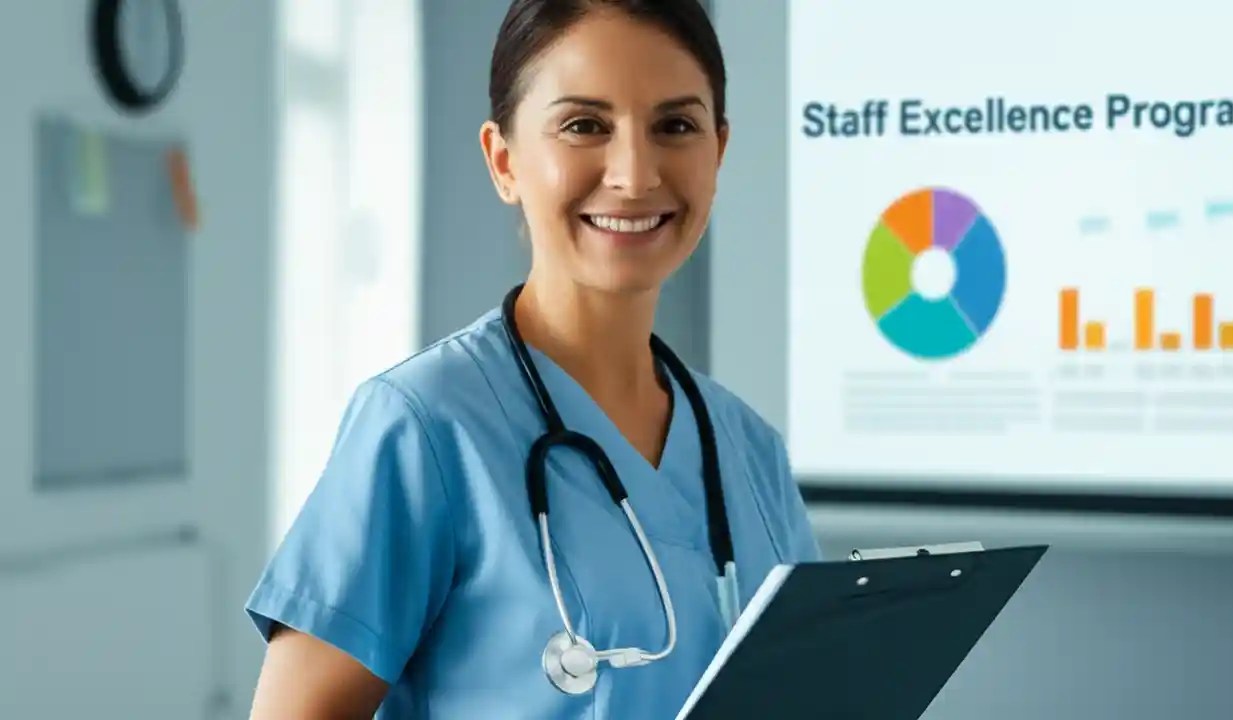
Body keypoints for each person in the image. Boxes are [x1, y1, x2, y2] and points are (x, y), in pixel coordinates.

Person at [244, 0, 820, 717]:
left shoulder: (749, 451)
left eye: (675, 126)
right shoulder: (425, 426)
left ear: (719, 151)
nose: (636, 174)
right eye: (585, 125)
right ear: (504, 159)